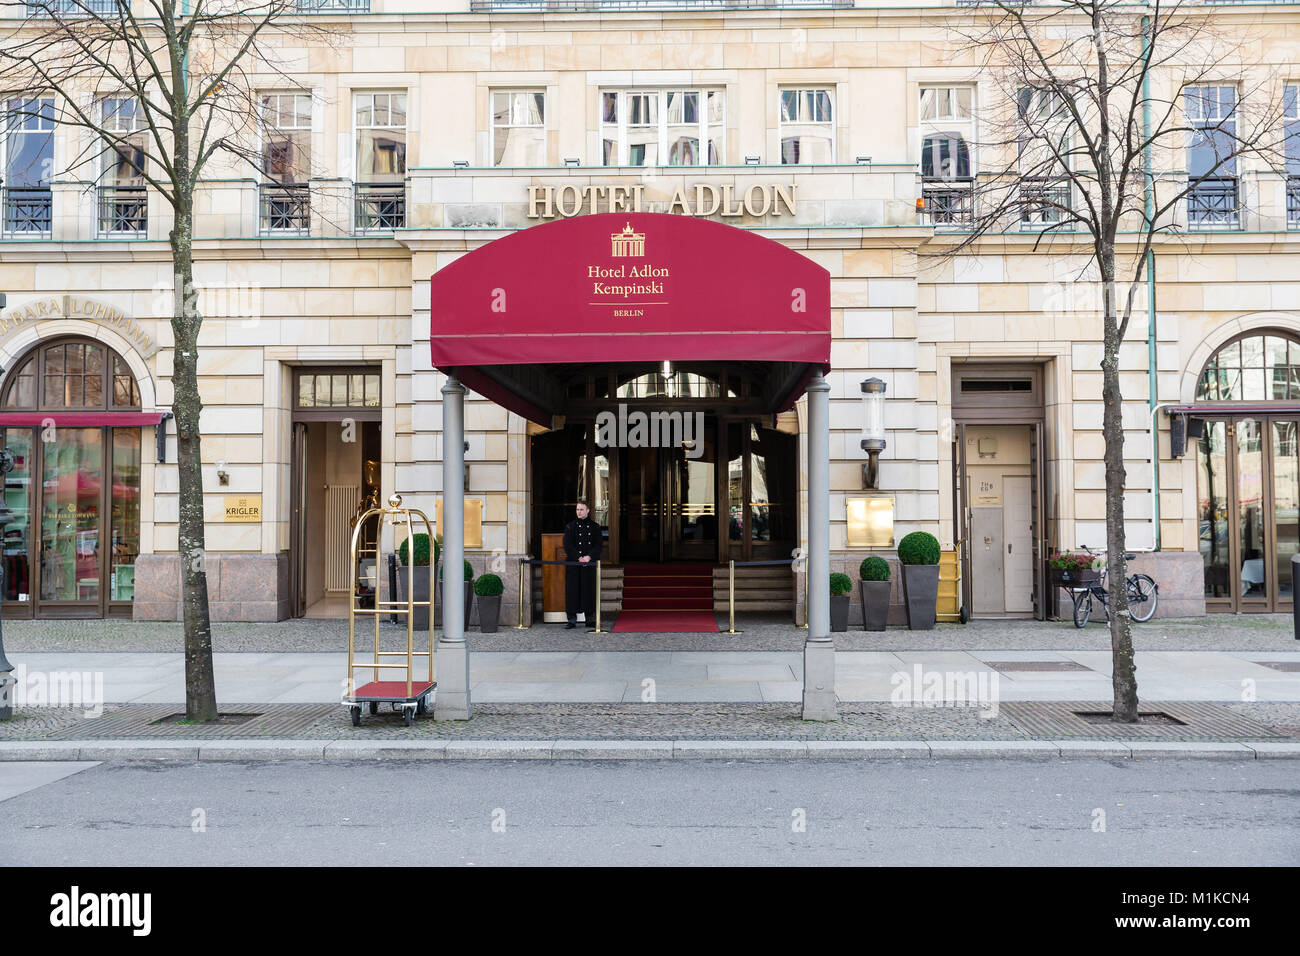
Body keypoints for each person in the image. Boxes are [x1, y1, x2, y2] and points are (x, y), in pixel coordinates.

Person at [563, 501, 603, 629]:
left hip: (589, 565)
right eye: (577, 509)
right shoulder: (570, 527)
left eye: (581, 509)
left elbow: (598, 545)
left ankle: (590, 619)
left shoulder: (595, 527)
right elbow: (568, 546)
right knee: (572, 591)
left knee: (589, 591)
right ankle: (571, 619)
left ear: (588, 510)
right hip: (574, 564)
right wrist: (579, 558)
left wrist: (589, 557)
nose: (578, 512)